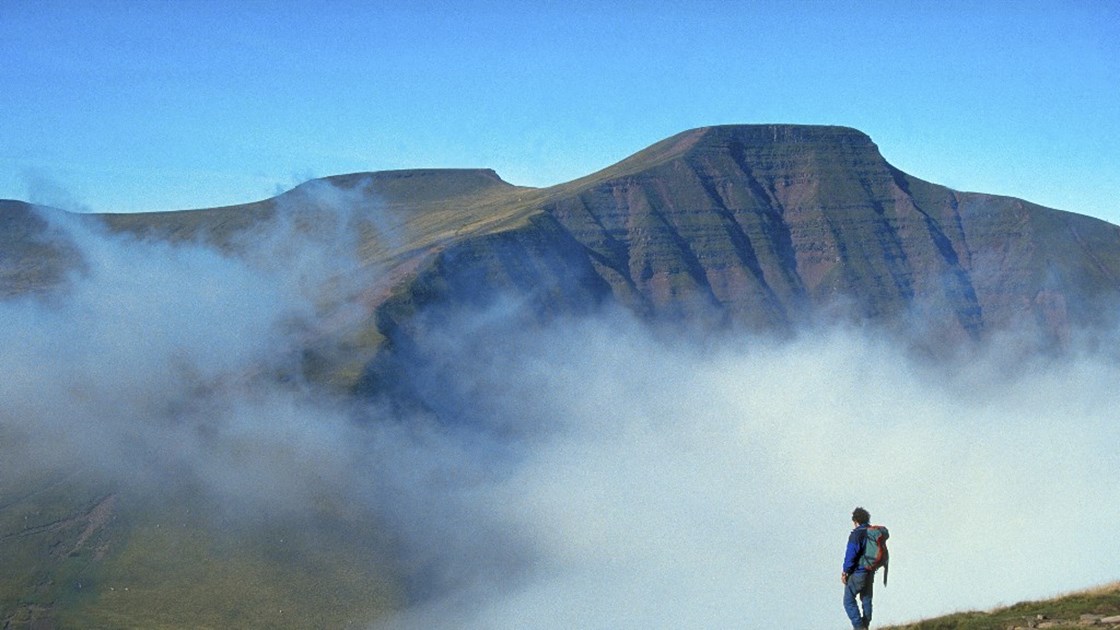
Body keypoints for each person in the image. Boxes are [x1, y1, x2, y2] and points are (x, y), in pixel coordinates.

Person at [842, 506, 874, 629]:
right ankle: (865, 625)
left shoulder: (857, 534)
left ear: (856, 521)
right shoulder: (872, 532)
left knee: (848, 600)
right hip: (870, 571)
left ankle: (859, 627)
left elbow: (851, 554)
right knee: (866, 598)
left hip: (858, 572)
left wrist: (845, 572)